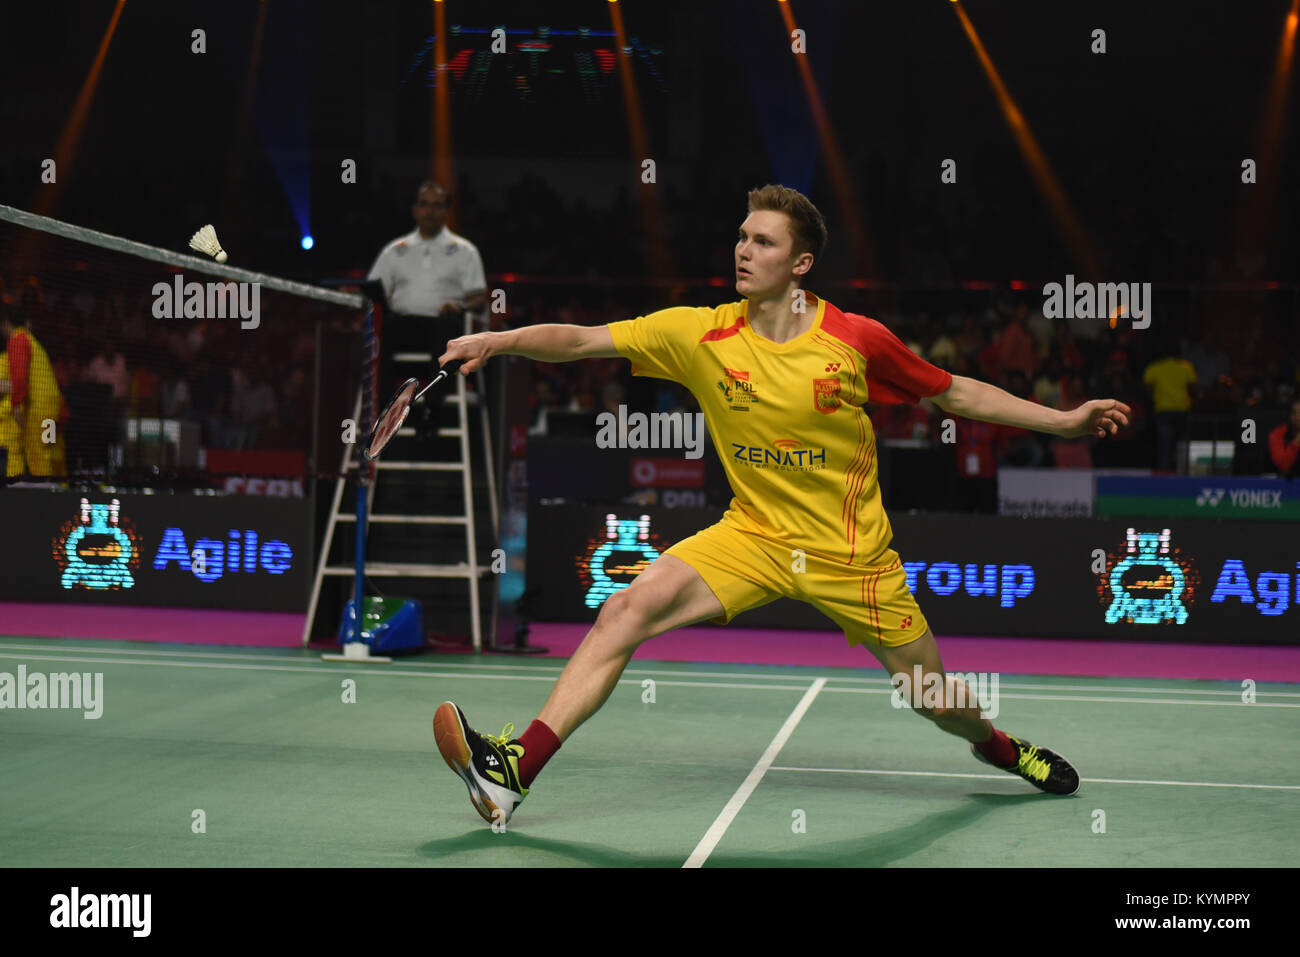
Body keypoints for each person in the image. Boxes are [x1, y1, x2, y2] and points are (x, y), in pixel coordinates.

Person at [432, 185, 1130, 827]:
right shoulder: (699, 334)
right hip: (753, 536)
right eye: (741, 236)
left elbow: (955, 392)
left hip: (852, 556)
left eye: (762, 241)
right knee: (626, 607)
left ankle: (1001, 747)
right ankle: (514, 769)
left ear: (800, 264)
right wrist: (500, 340)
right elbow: (583, 340)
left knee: (933, 697)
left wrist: (1063, 420)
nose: (743, 248)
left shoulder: (855, 339)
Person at [368, 181, 488, 401]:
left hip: (444, 329)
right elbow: (371, 291)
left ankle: (432, 414)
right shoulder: (394, 250)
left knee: (447, 327)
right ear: (415, 210)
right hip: (403, 327)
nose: (430, 211)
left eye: (437, 205)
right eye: (424, 204)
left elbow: (479, 298)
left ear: (446, 211)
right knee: (381, 327)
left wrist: (459, 306)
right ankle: (382, 409)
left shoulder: (465, 251)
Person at [0, 310, 69, 477]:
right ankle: (59, 486)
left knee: (38, 453)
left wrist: (16, 405)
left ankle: (46, 493)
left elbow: (19, 378)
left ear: (5, 323)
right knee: (51, 449)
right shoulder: (34, 344)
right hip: (53, 411)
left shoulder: (18, 340)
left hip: (38, 411)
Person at [1142, 340, 1197, 472]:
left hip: (1163, 411)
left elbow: (1147, 389)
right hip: (1182, 410)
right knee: (1182, 446)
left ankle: (1165, 475)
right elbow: (1194, 389)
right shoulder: (1186, 367)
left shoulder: (1154, 368)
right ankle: (1183, 473)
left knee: (1164, 447)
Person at [1268, 398, 1300, 478]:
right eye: (1294, 413)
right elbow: (1283, 465)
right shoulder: (1277, 434)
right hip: (1286, 484)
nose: (1298, 417)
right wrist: (1297, 441)